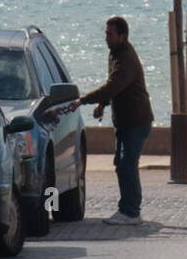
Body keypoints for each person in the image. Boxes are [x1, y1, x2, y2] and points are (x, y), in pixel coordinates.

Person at [66, 16, 154, 225]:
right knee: (122, 164)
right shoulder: (115, 53)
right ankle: (130, 209)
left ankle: (131, 212)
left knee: (127, 165)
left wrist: (83, 101)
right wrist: (103, 104)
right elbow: (113, 86)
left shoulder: (126, 58)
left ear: (122, 36)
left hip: (136, 121)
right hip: (124, 121)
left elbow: (114, 85)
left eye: (110, 34)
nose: (106, 38)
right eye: (106, 33)